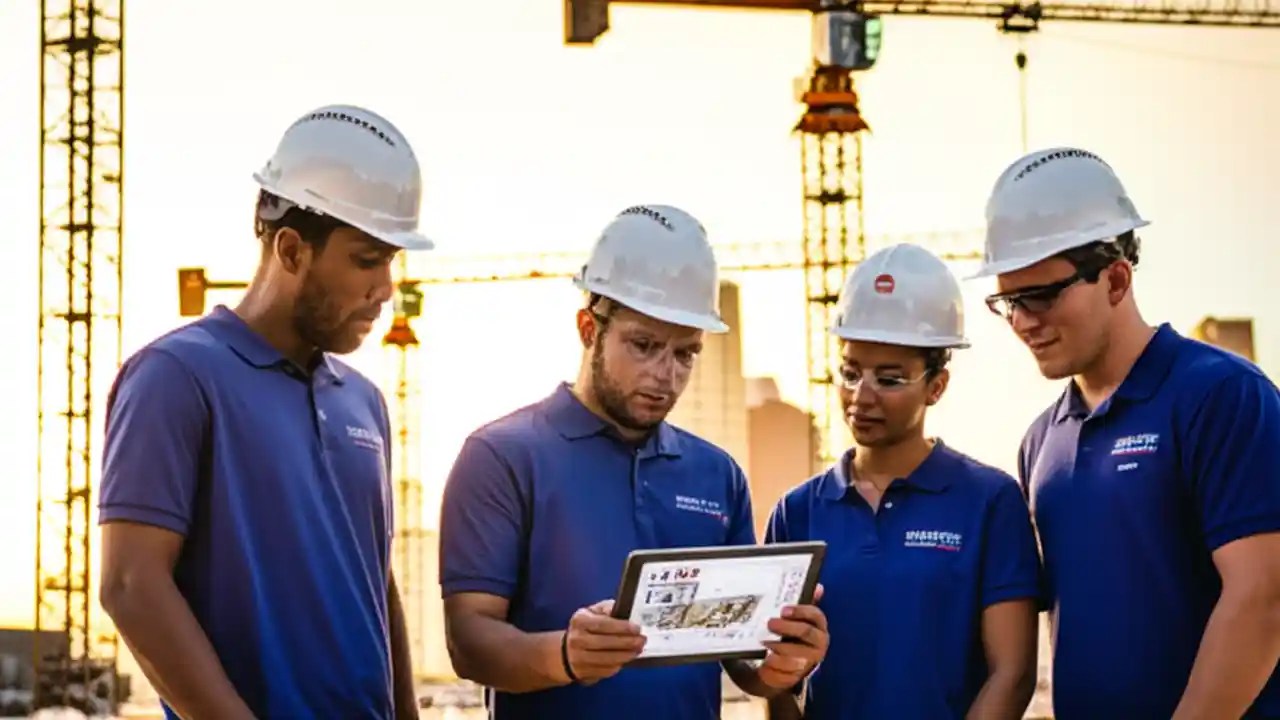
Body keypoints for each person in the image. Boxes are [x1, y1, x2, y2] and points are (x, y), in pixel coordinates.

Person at [98, 104, 434, 720]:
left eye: (392, 261)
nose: (386, 287)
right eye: (367, 259)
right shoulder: (176, 376)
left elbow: (376, 587)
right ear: (291, 249)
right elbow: (130, 585)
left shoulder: (365, 402)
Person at [438, 204, 831, 719]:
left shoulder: (718, 476)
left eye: (685, 354)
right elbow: (470, 640)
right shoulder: (502, 457)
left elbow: (740, 657)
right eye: (644, 346)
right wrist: (563, 656)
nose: (665, 375)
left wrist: (781, 669)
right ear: (588, 328)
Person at [972, 146, 1280, 719]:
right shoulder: (1041, 442)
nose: (1022, 321)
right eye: (1007, 301)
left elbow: (1264, 598)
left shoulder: (1221, 395)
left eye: (1040, 296)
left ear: (1116, 278)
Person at [762, 243, 1043, 720]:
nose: (861, 396)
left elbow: (1012, 674)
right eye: (850, 373)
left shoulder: (990, 501)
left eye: (889, 380)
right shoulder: (797, 511)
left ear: (937, 385)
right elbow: (776, 680)